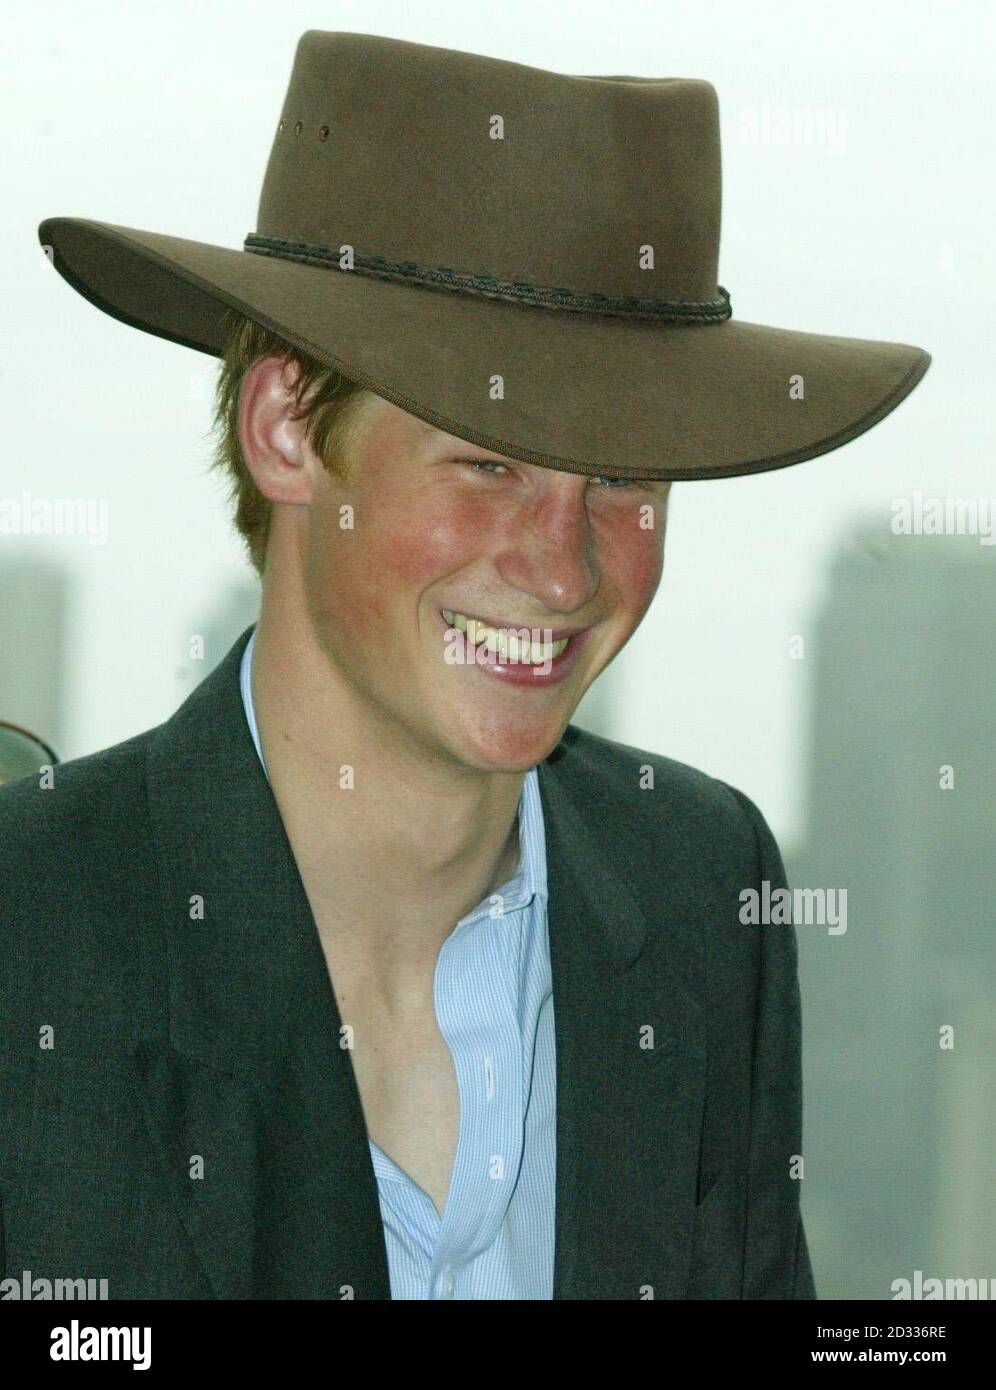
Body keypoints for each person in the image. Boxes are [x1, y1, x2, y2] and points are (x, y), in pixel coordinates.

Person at [0, 30, 929, 1300]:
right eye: (488, 461)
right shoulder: (30, 925)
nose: (563, 570)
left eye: (623, 478)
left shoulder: (702, 884)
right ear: (286, 430)